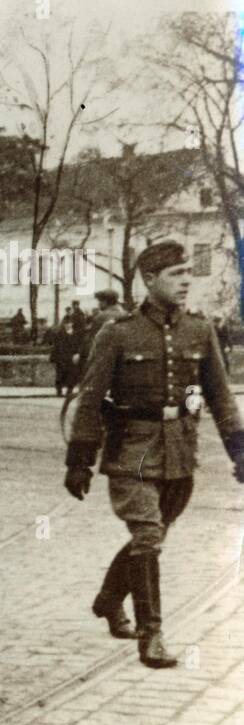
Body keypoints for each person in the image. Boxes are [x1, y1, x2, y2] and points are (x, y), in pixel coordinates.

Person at [65, 241, 243, 664]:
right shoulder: (119, 332)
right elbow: (90, 398)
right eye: (175, 274)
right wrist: (79, 459)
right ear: (149, 280)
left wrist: (240, 451)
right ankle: (152, 634)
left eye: (187, 272)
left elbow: (220, 397)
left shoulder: (200, 329)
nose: (186, 281)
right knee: (147, 534)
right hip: (132, 448)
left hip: (180, 448)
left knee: (154, 537)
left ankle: (110, 599)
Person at [49, 318, 85, 397]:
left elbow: (79, 345)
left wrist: (78, 353)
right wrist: (55, 358)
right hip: (62, 358)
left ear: (72, 324)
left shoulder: (75, 334)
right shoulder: (59, 334)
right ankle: (59, 391)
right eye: (66, 323)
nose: (68, 325)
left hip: (71, 358)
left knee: (72, 375)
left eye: (69, 323)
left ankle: (69, 391)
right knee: (60, 375)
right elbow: (56, 347)